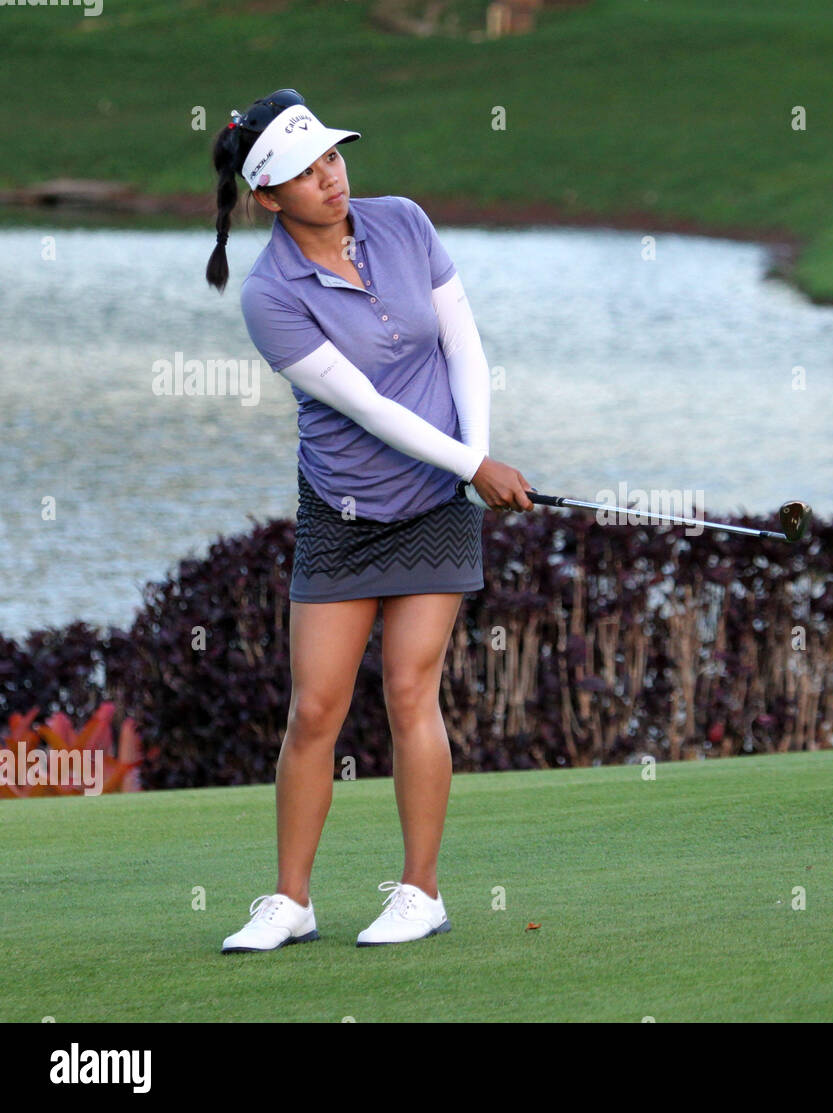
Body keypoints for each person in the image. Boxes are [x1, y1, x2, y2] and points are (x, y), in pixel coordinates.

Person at [205, 89, 534, 951]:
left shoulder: (405, 223)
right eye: (304, 174)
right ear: (267, 197)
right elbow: (367, 407)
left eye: (333, 159)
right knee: (315, 708)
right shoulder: (271, 294)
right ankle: (292, 900)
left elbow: (463, 344)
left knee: (407, 689)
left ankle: (420, 891)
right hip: (344, 510)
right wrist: (477, 467)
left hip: (434, 503)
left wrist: (476, 458)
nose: (330, 179)